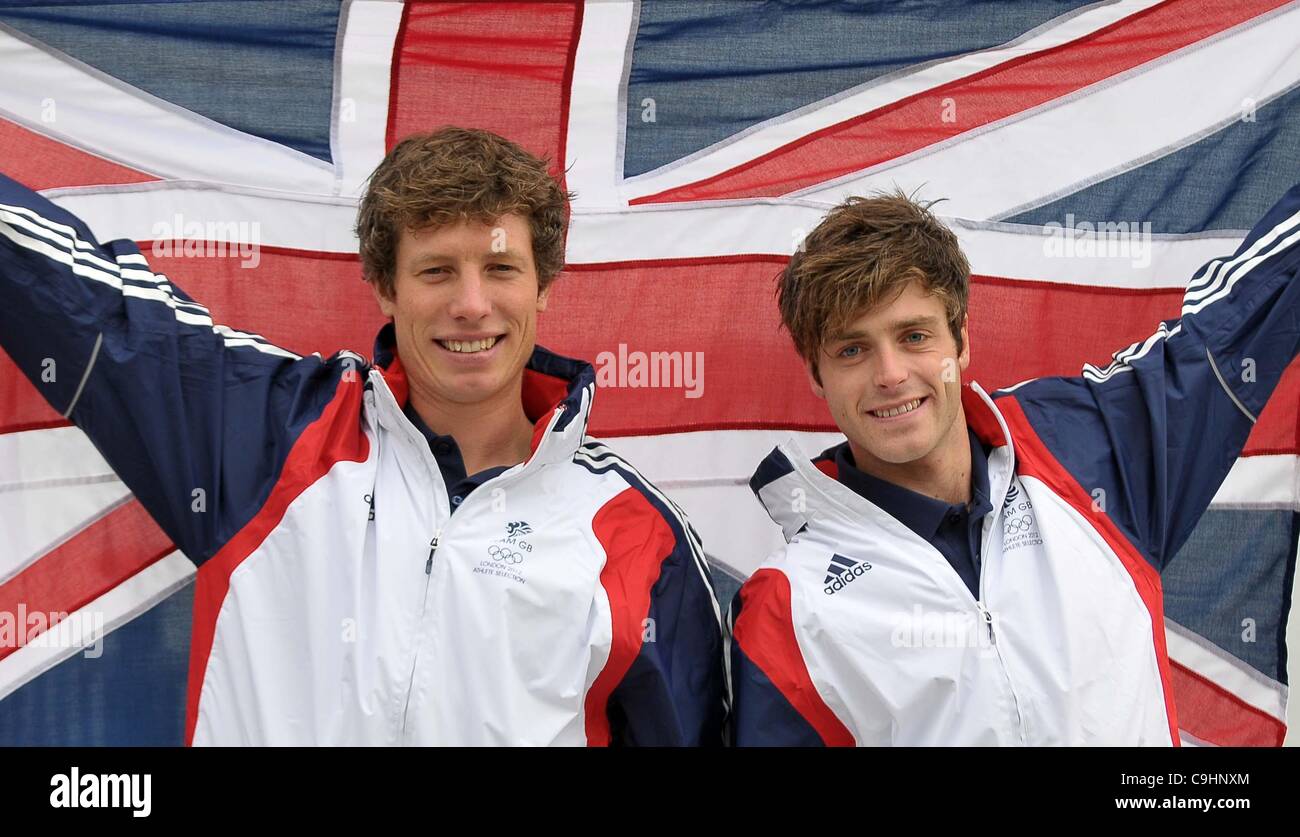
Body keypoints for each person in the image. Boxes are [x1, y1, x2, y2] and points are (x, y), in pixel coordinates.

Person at [0, 126, 726, 746]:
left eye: (500, 268)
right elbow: (94, 305)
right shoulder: (269, 436)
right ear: (384, 285)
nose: (471, 305)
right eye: (436, 270)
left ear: (543, 286)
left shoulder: (640, 537)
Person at [729, 187, 1300, 745]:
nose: (890, 374)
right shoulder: (788, 608)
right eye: (852, 349)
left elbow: (1242, 316)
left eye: (915, 336)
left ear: (962, 340)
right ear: (814, 373)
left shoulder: (1089, 449)